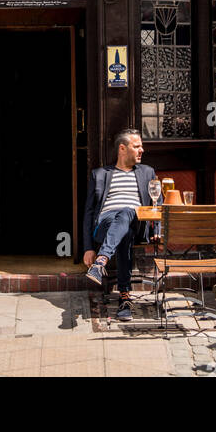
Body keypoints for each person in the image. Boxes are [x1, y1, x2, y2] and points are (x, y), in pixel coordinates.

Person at [82, 129, 157, 321]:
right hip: (105, 224)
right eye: (137, 146)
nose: (142, 150)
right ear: (122, 149)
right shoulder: (99, 174)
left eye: (141, 146)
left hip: (136, 220)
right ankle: (125, 299)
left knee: (127, 212)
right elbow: (89, 213)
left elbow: (158, 203)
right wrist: (88, 248)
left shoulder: (147, 172)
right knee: (125, 232)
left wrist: (157, 230)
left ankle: (101, 262)